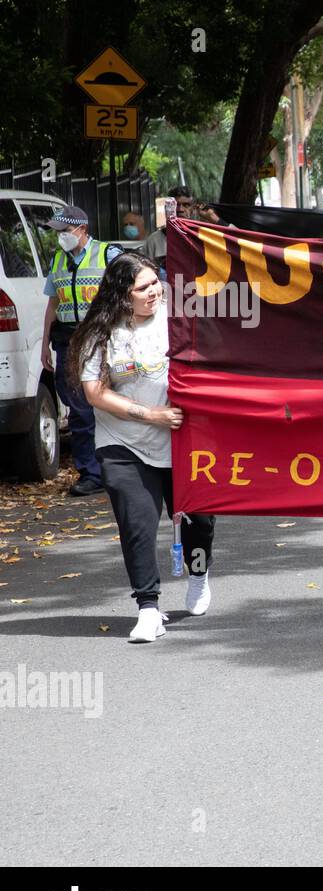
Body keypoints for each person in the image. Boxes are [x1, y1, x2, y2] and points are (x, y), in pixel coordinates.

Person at [68, 253, 217, 643]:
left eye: (156, 283)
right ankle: (148, 608)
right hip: (124, 444)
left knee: (199, 523)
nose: (154, 291)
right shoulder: (100, 334)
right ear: (121, 295)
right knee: (137, 525)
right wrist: (149, 415)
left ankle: (199, 575)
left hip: (184, 442)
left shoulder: (180, 319)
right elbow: (95, 393)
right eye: (143, 287)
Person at [40, 206, 121, 496]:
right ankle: (91, 473)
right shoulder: (58, 260)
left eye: (64, 231)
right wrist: (44, 344)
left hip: (103, 338)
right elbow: (52, 305)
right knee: (79, 409)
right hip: (68, 342)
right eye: (57, 232)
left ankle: (121, 468)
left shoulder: (108, 254)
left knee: (113, 402)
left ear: (81, 230)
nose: (60, 237)